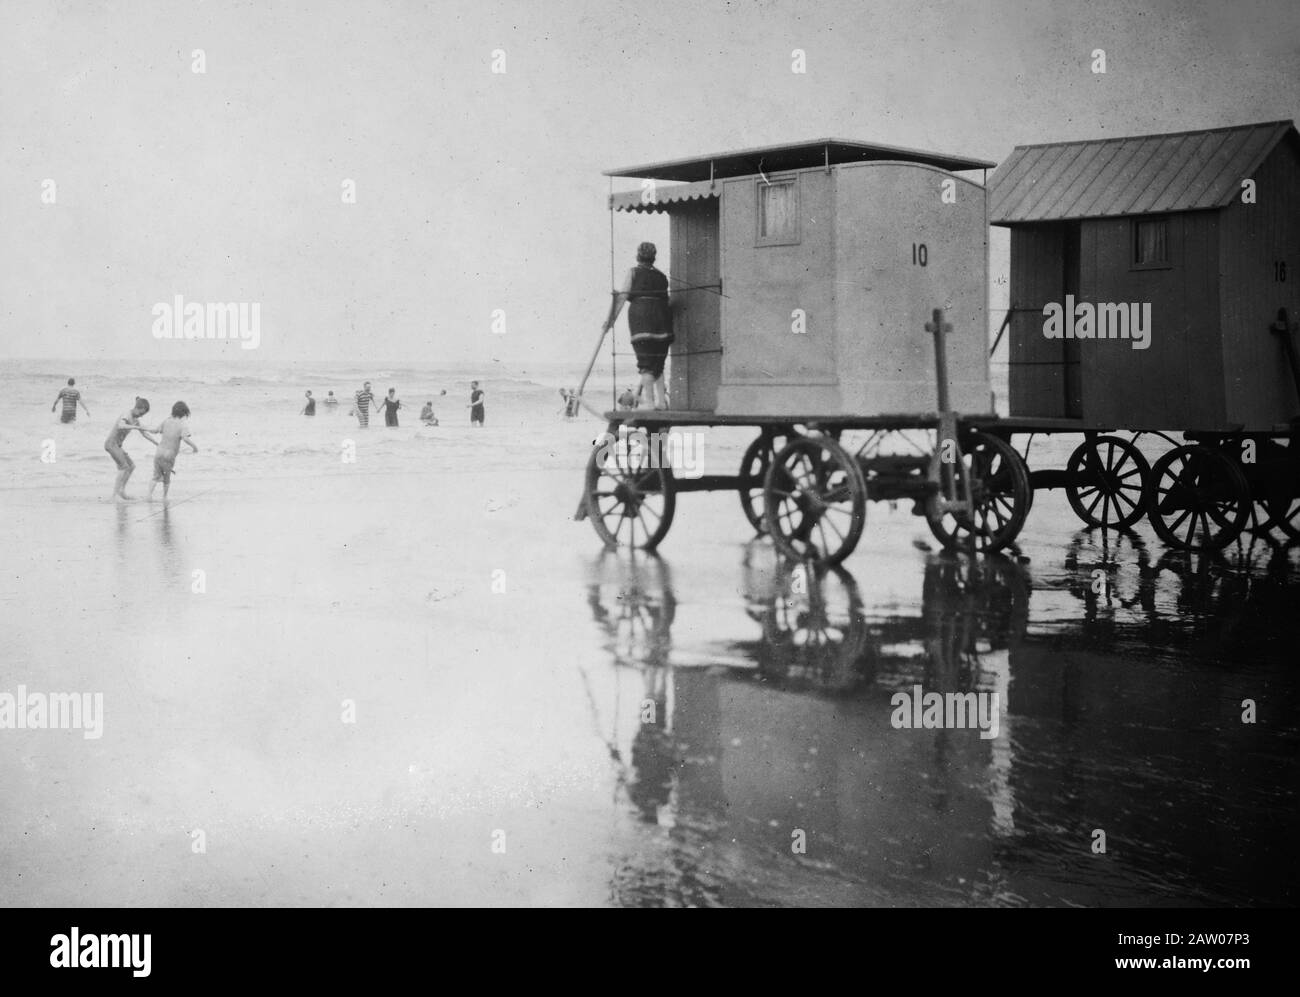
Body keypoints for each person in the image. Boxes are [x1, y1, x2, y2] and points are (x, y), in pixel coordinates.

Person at [603, 241, 672, 410]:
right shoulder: (662, 277)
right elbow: (667, 300)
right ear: (653, 258)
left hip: (642, 322)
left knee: (646, 365)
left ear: (638, 255)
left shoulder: (633, 272)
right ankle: (661, 403)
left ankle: (649, 403)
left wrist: (610, 321)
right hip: (663, 323)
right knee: (658, 364)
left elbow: (622, 296)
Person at [104, 397, 157, 501]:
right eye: (141, 413)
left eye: (143, 415)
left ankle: (122, 491)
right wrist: (136, 427)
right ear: (137, 408)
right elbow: (120, 425)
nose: (141, 416)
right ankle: (114, 496)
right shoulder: (126, 414)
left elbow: (145, 433)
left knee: (131, 466)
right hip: (111, 444)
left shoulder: (136, 420)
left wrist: (156, 443)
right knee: (124, 467)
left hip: (117, 446)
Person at [146, 402, 198, 502]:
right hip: (169, 456)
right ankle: (164, 497)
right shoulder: (183, 425)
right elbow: (185, 439)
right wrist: (194, 447)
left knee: (155, 476)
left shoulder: (166, 421)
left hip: (158, 453)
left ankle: (148, 495)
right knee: (167, 478)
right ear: (184, 414)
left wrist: (146, 429)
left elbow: (156, 430)